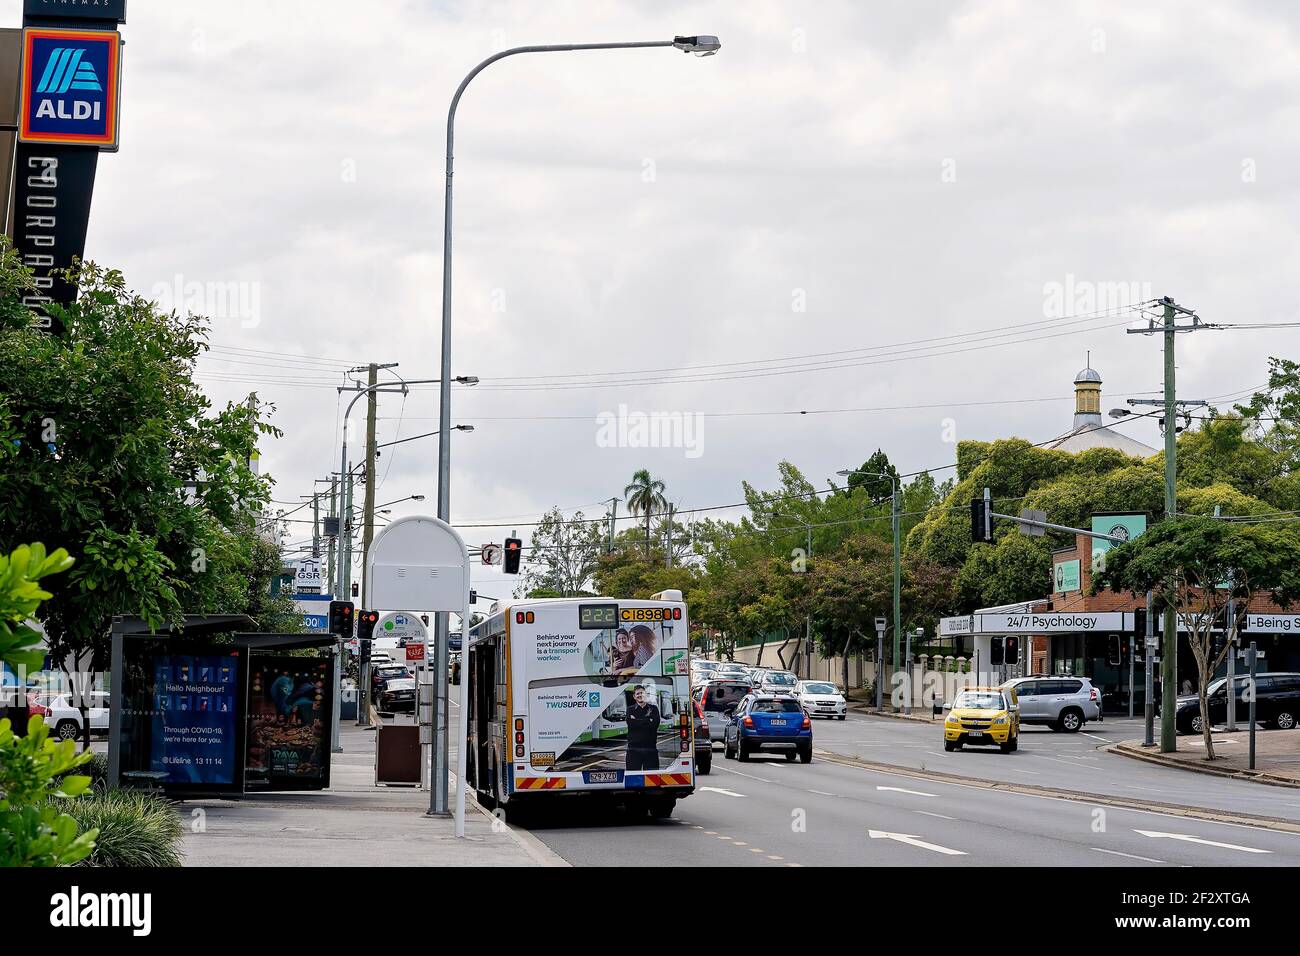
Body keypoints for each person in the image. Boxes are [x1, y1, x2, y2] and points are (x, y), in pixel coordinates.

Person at [623, 683, 662, 771]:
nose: (640, 695)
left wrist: (637, 720)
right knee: (632, 778)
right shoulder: (630, 709)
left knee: (653, 778)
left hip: (650, 749)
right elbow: (631, 724)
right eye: (637, 694)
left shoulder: (654, 709)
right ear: (634, 696)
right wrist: (648, 720)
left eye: (642, 693)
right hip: (633, 750)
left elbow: (655, 725)